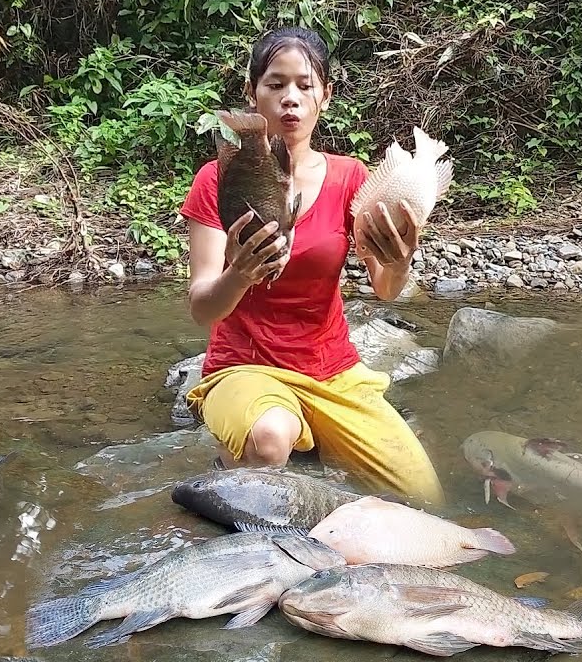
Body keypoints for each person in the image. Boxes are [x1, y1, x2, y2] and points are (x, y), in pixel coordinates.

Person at [178, 25, 447, 506]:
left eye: (305, 85)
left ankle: (309, 441)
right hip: (244, 365)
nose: (290, 99)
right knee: (269, 439)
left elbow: (385, 288)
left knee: (423, 497)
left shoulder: (351, 177)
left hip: (332, 371)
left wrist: (402, 261)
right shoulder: (218, 178)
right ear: (251, 93)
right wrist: (240, 273)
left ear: (326, 95)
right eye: (275, 84)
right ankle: (236, 466)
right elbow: (203, 310)